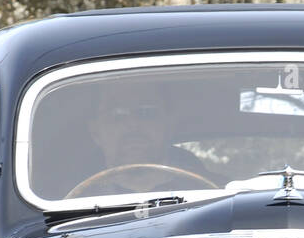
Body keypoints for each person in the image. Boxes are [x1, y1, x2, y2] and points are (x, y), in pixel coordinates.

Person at [78, 80, 214, 195]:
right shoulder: (69, 201)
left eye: (146, 111)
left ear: (169, 125)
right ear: (95, 132)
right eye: (117, 114)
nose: (133, 124)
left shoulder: (213, 195)